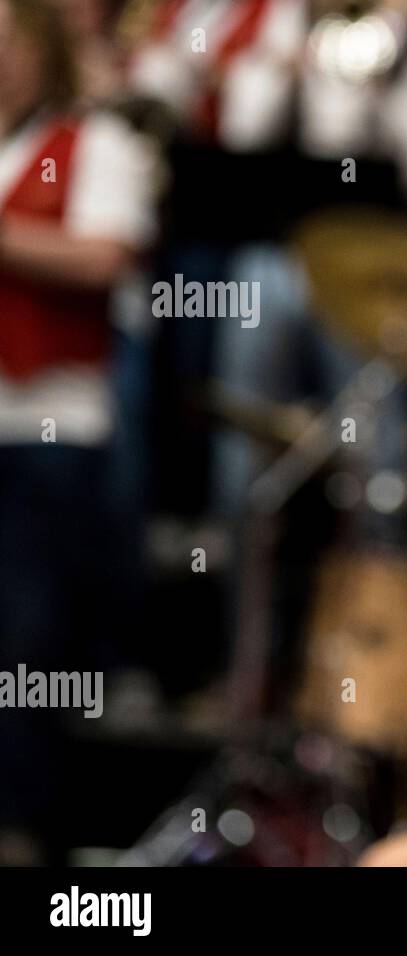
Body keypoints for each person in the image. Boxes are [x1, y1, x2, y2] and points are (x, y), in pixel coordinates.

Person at [0, 0, 158, 864]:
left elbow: (106, 254)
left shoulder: (96, 145)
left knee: (30, 636)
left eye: (10, 46)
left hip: (51, 422)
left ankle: (25, 827)